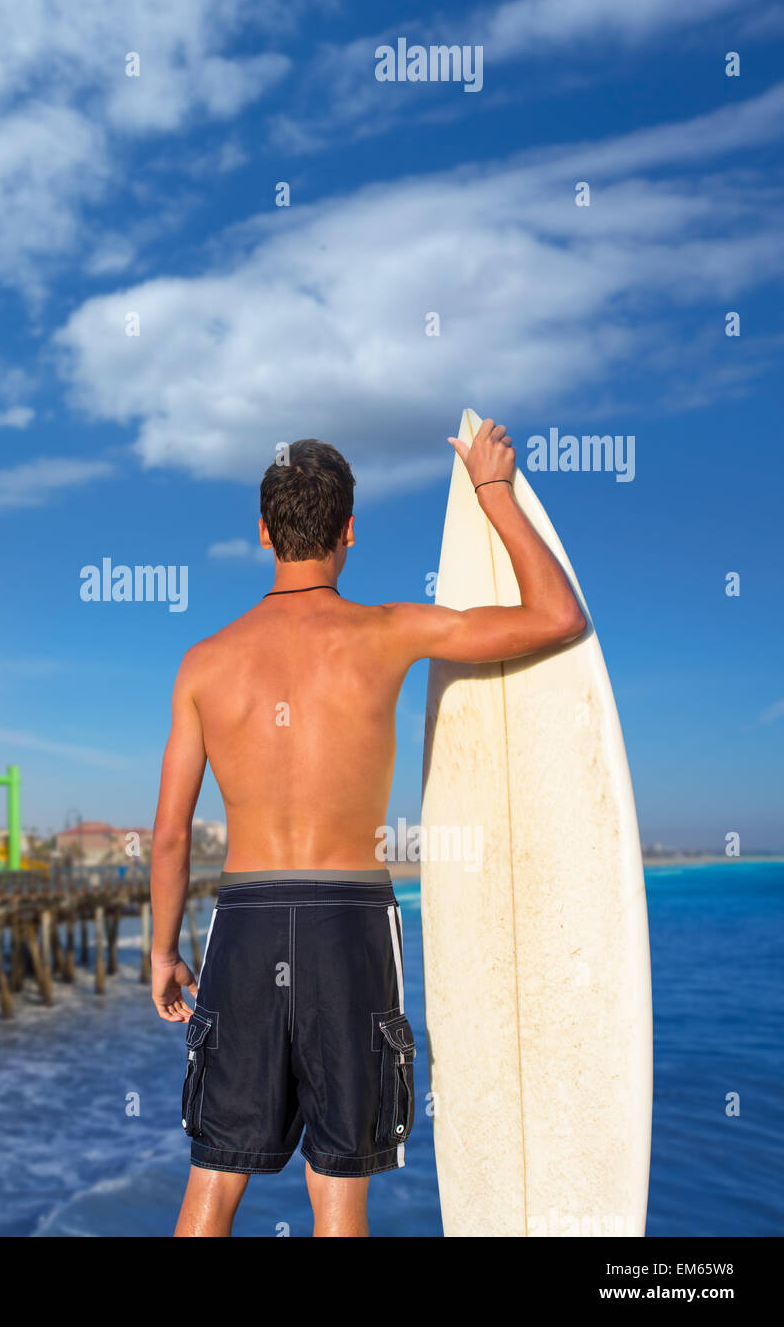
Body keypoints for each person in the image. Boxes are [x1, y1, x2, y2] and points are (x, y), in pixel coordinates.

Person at [150, 419, 586, 1237]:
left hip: (241, 923)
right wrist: (494, 491)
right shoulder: (390, 632)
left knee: (214, 1174)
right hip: (347, 922)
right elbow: (557, 615)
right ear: (349, 530)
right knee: (338, 1187)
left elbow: (169, 834)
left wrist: (165, 952)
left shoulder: (204, 662)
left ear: (261, 532)